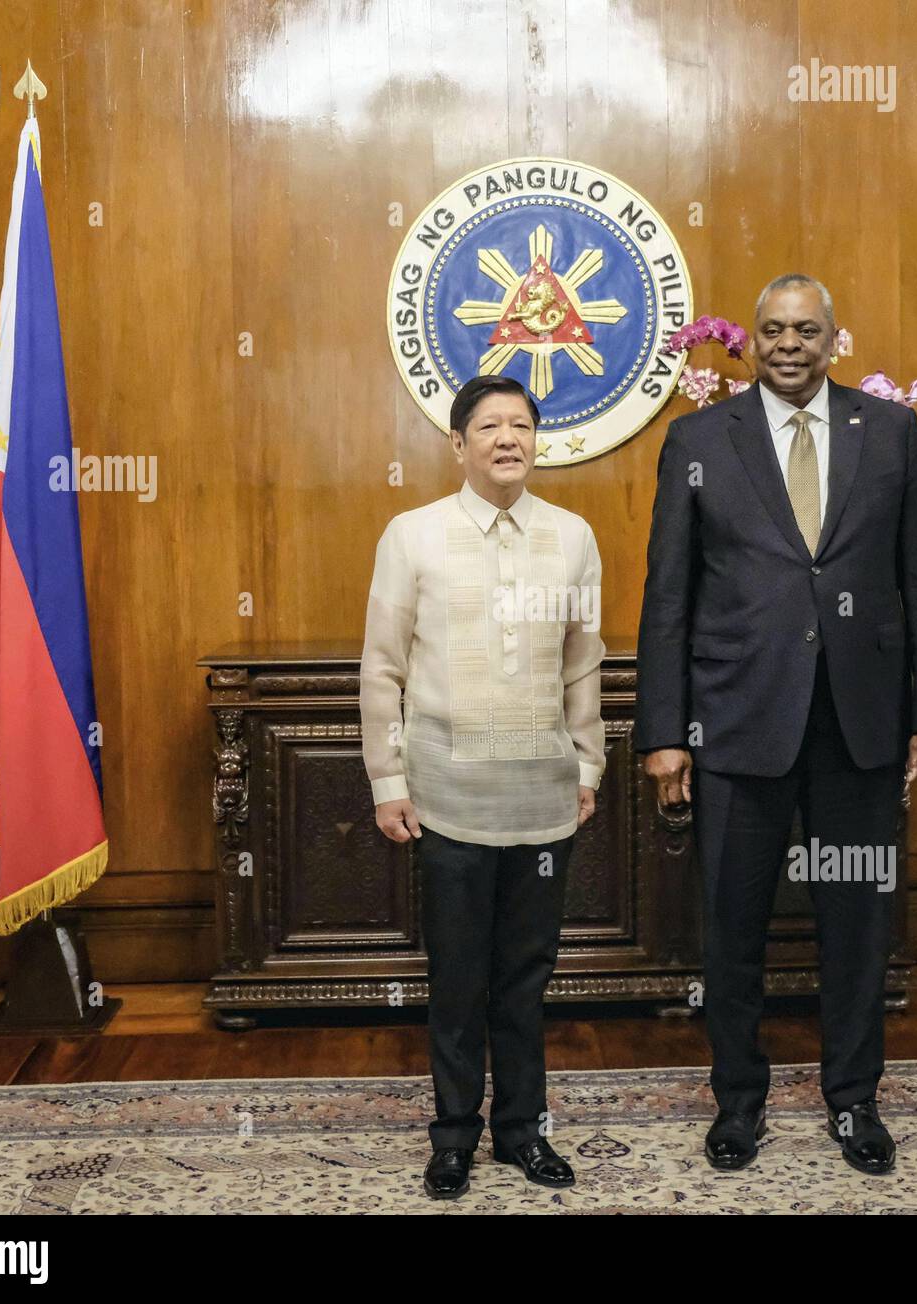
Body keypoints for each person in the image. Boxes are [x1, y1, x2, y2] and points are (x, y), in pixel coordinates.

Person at [635, 274, 917, 1175]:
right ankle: (737, 1103)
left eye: (806, 330)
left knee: (857, 924)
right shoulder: (699, 439)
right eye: (774, 330)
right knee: (731, 925)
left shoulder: (890, 431)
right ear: (749, 341)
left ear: (833, 339)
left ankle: (854, 1100)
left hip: (858, 730)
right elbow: (669, 596)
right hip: (736, 727)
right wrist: (664, 731)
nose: (789, 344)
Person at [361, 374, 605, 1200]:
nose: (509, 438)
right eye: (490, 426)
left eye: (523, 425)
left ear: (538, 441)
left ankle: (522, 1134)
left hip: (541, 797)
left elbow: (583, 664)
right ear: (458, 443)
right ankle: (454, 1137)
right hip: (447, 797)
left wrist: (588, 763)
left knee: (526, 979)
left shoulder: (571, 537)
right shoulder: (413, 535)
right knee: (459, 978)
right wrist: (388, 778)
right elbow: (383, 668)